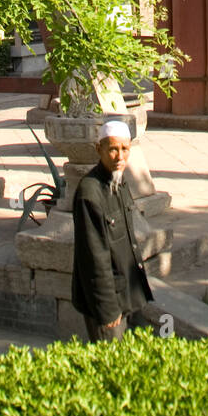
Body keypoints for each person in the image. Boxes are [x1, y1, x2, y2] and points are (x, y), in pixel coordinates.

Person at [71, 119, 153, 341]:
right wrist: (107, 309)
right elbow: (93, 257)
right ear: (99, 149)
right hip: (110, 304)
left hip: (130, 293)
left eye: (125, 149)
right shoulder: (89, 192)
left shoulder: (119, 181)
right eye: (113, 149)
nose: (119, 157)